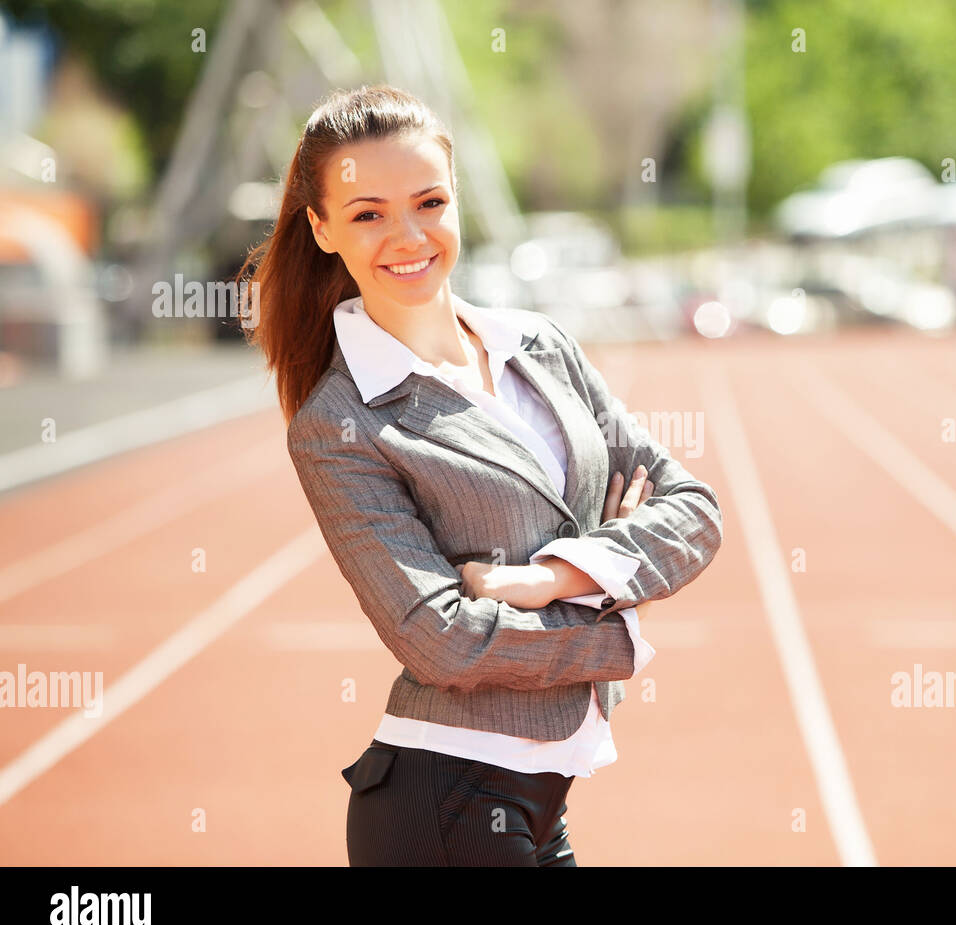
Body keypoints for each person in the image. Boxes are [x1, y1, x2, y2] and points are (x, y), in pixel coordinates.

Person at [235, 84, 723, 865]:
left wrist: (558, 576)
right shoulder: (340, 425)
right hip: (443, 805)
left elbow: (695, 509)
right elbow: (446, 644)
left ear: (456, 199)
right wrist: (616, 627)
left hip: (540, 799)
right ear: (322, 229)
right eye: (368, 214)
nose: (408, 235)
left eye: (429, 201)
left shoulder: (539, 346)